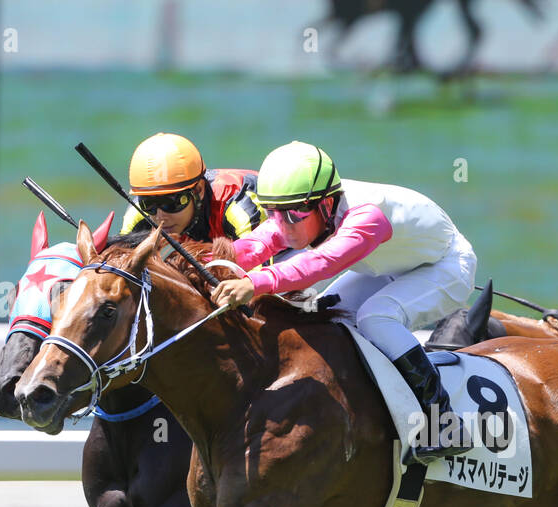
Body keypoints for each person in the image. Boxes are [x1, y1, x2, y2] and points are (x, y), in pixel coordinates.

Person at [209, 141, 478, 465]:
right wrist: (210, 261)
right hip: (391, 266)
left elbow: (320, 264)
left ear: (326, 204)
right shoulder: (302, 212)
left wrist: (254, 283)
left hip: (445, 267)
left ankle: (444, 424)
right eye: (273, 212)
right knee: (327, 314)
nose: (284, 223)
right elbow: (263, 239)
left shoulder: (367, 217)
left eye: (293, 213)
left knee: (374, 319)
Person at [122, 132, 265, 241]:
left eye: (170, 203)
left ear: (199, 190)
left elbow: (257, 276)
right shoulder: (139, 213)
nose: (160, 216)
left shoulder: (240, 208)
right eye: (148, 203)